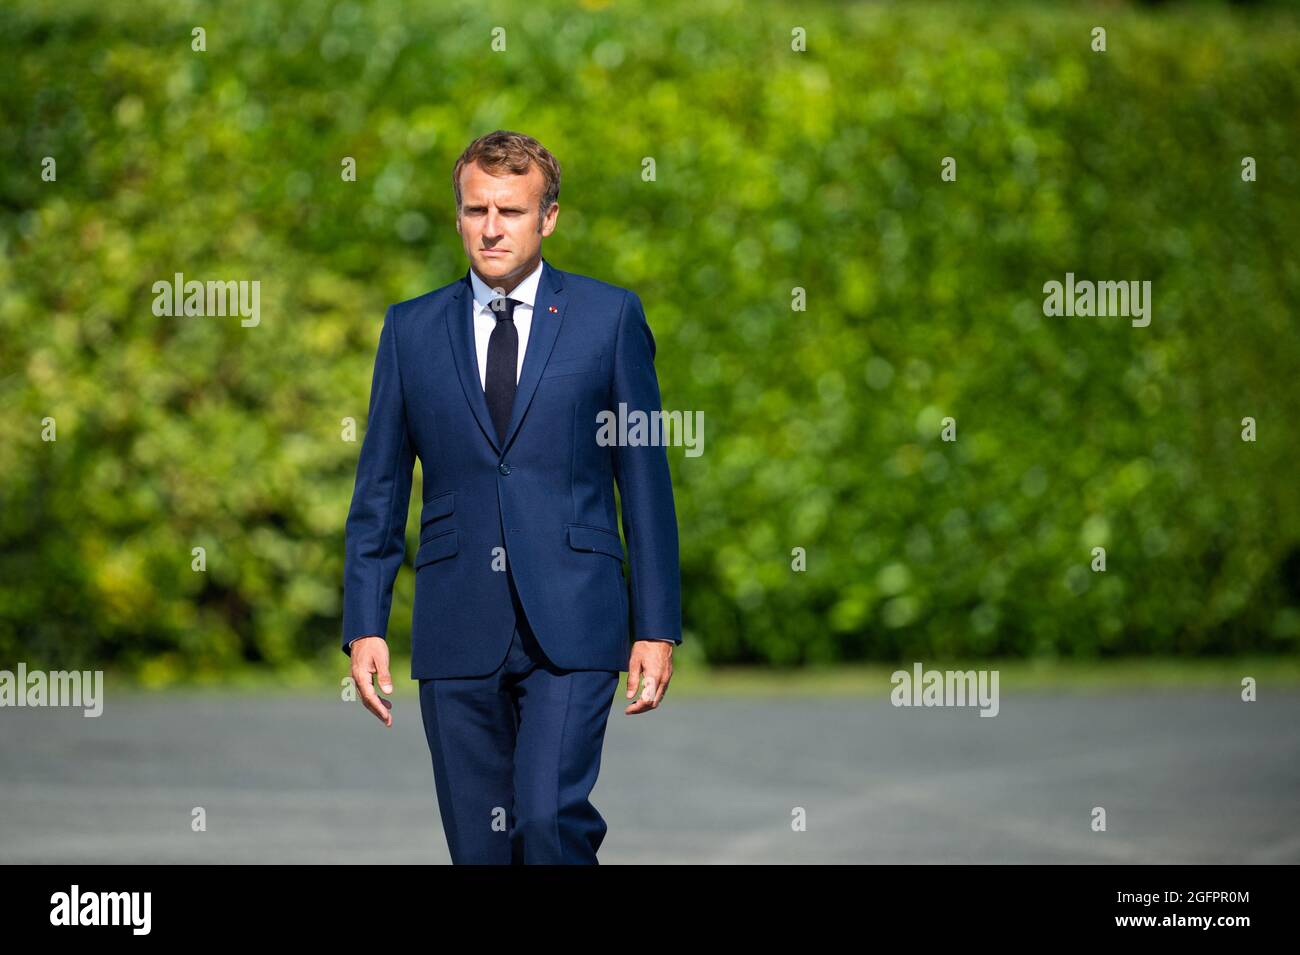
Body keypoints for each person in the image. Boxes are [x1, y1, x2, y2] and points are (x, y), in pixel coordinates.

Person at [341, 129, 682, 864]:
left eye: (511, 211)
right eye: (475, 209)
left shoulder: (609, 318)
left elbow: (645, 479)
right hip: (457, 620)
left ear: (548, 218)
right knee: (480, 849)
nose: (491, 227)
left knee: (547, 821)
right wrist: (364, 621)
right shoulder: (410, 330)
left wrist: (656, 625)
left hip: (575, 619)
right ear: (458, 215)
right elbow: (380, 488)